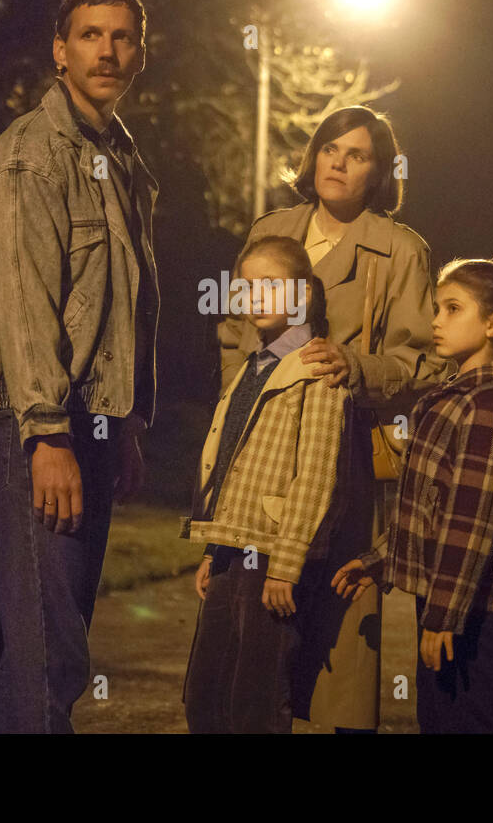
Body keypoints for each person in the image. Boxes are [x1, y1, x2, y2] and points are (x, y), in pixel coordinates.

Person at [0, 0, 159, 733]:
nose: (107, 50)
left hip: (96, 423)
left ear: (140, 53)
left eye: (122, 37)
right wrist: (46, 433)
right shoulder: (31, 157)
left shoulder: (119, 159)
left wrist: (129, 426)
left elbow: (126, 308)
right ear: (59, 50)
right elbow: (20, 304)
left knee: (60, 636)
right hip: (45, 421)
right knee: (51, 651)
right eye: (89, 35)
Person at [216, 105, 450, 732]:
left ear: (379, 175)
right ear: (312, 156)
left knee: (345, 632)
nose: (338, 163)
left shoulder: (400, 250)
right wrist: (228, 425)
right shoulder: (272, 227)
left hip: (345, 456)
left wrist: (355, 364)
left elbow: (425, 362)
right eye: (328, 148)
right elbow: (234, 336)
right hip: (261, 456)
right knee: (253, 632)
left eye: (357, 155)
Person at [334, 258, 493, 733]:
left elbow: (469, 526)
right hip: (448, 598)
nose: (436, 321)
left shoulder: (486, 407)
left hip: (466, 607)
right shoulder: (458, 397)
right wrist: (377, 560)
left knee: (462, 722)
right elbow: (430, 507)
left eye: (453, 309)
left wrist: (444, 617)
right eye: (437, 309)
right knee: (442, 720)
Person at [182, 236, 349, 733]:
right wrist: (214, 547)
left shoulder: (317, 369)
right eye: (245, 287)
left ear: (303, 293)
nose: (253, 297)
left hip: (273, 554)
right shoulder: (249, 369)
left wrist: (287, 566)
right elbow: (229, 462)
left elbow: (316, 475)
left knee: (256, 689)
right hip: (233, 546)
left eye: (268, 286)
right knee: (207, 688)